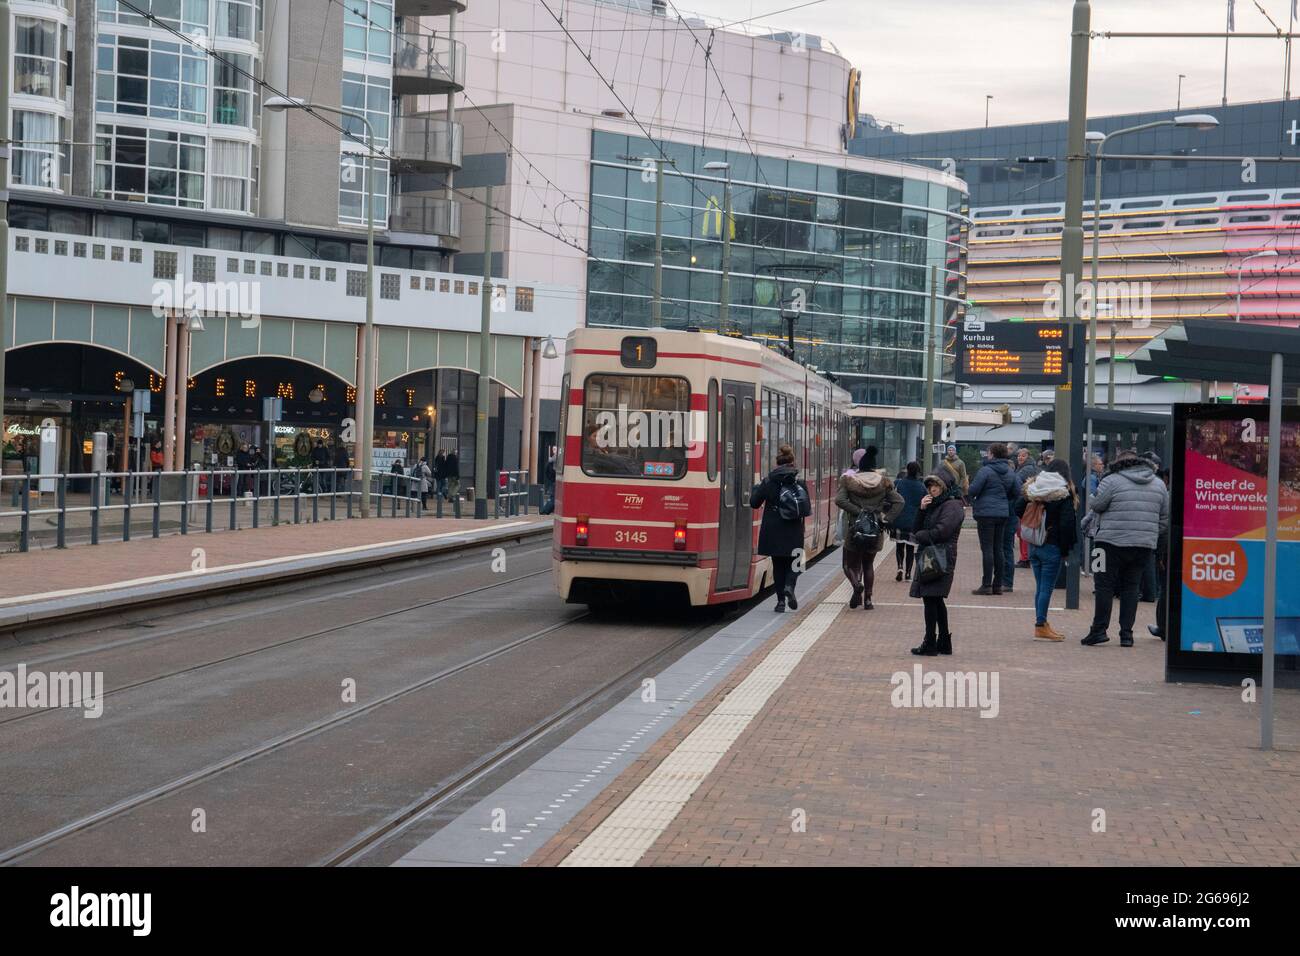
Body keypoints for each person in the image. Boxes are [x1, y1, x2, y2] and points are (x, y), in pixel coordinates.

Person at [1081, 449, 1170, 648]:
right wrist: (1148, 534)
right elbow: (1164, 519)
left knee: (1103, 585)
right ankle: (1126, 635)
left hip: (1106, 543)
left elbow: (1096, 505)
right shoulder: (1158, 484)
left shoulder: (1111, 480)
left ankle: (1099, 630)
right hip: (1142, 545)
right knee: (1132, 587)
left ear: (1119, 464)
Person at [1015, 459, 1078, 642]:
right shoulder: (1063, 493)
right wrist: (1066, 549)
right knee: (1046, 588)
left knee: (1040, 587)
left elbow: (1018, 508)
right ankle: (1040, 625)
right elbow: (1067, 524)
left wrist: (1035, 518)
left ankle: (1041, 623)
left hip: (1034, 544)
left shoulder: (1034, 488)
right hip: (1052, 545)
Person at [835, 455, 903, 609]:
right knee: (868, 565)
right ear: (874, 467)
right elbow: (899, 501)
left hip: (855, 529)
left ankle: (856, 584)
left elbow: (839, 500)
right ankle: (868, 600)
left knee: (848, 564)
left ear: (860, 467)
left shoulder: (849, 481)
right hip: (874, 529)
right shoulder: (883, 482)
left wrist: (859, 512)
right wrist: (886, 519)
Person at [909, 470, 965, 656]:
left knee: (931, 600)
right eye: (930, 487)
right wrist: (921, 509)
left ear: (945, 487)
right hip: (932, 555)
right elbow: (916, 527)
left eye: (937, 486)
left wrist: (920, 536)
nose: (933, 490)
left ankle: (930, 643)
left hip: (941, 556)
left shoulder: (953, 506)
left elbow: (941, 532)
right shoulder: (935, 504)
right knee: (935, 599)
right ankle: (943, 642)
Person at [750, 443, 810, 613]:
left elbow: (754, 503)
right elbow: (805, 506)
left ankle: (780, 602)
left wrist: (756, 489)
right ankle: (790, 586)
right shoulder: (798, 482)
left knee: (778, 565)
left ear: (777, 463)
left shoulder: (769, 481)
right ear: (793, 462)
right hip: (793, 528)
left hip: (773, 528)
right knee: (796, 562)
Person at [967, 442, 1018, 595]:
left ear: (993, 454)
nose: (987, 455)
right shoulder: (1010, 472)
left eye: (988, 452)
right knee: (999, 548)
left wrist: (975, 499)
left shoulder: (986, 470)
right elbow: (1017, 492)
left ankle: (986, 584)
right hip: (1002, 513)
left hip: (985, 513)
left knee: (987, 548)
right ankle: (998, 585)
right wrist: (1003, 499)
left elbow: (973, 490)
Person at [892, 461, 927, 583]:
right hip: (914, 521)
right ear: (918, 471)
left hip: (899, 519)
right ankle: (908, 573)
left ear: (907, 470)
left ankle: (900, 567)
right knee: (911, 549)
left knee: (899, 546)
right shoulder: (922, 486)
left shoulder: (899, 483)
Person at [1013, 448, 1039, 568]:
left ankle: (1025, 558)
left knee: (1023, 531)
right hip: (1027, 502)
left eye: (1023, 456)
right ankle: (1025, 557)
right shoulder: (1025, 468)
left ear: (1028, 457)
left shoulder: (1027, 469)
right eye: (1019, 456)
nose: (1020, 458)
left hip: (1025, 503)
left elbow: (1015, 482)